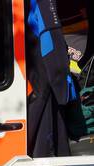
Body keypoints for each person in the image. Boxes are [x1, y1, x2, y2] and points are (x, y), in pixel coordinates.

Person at [26, 0, 78, 157]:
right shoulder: (42, 3)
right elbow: (51, 37)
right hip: (44, 78)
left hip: (34, 74)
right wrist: (64, 86)